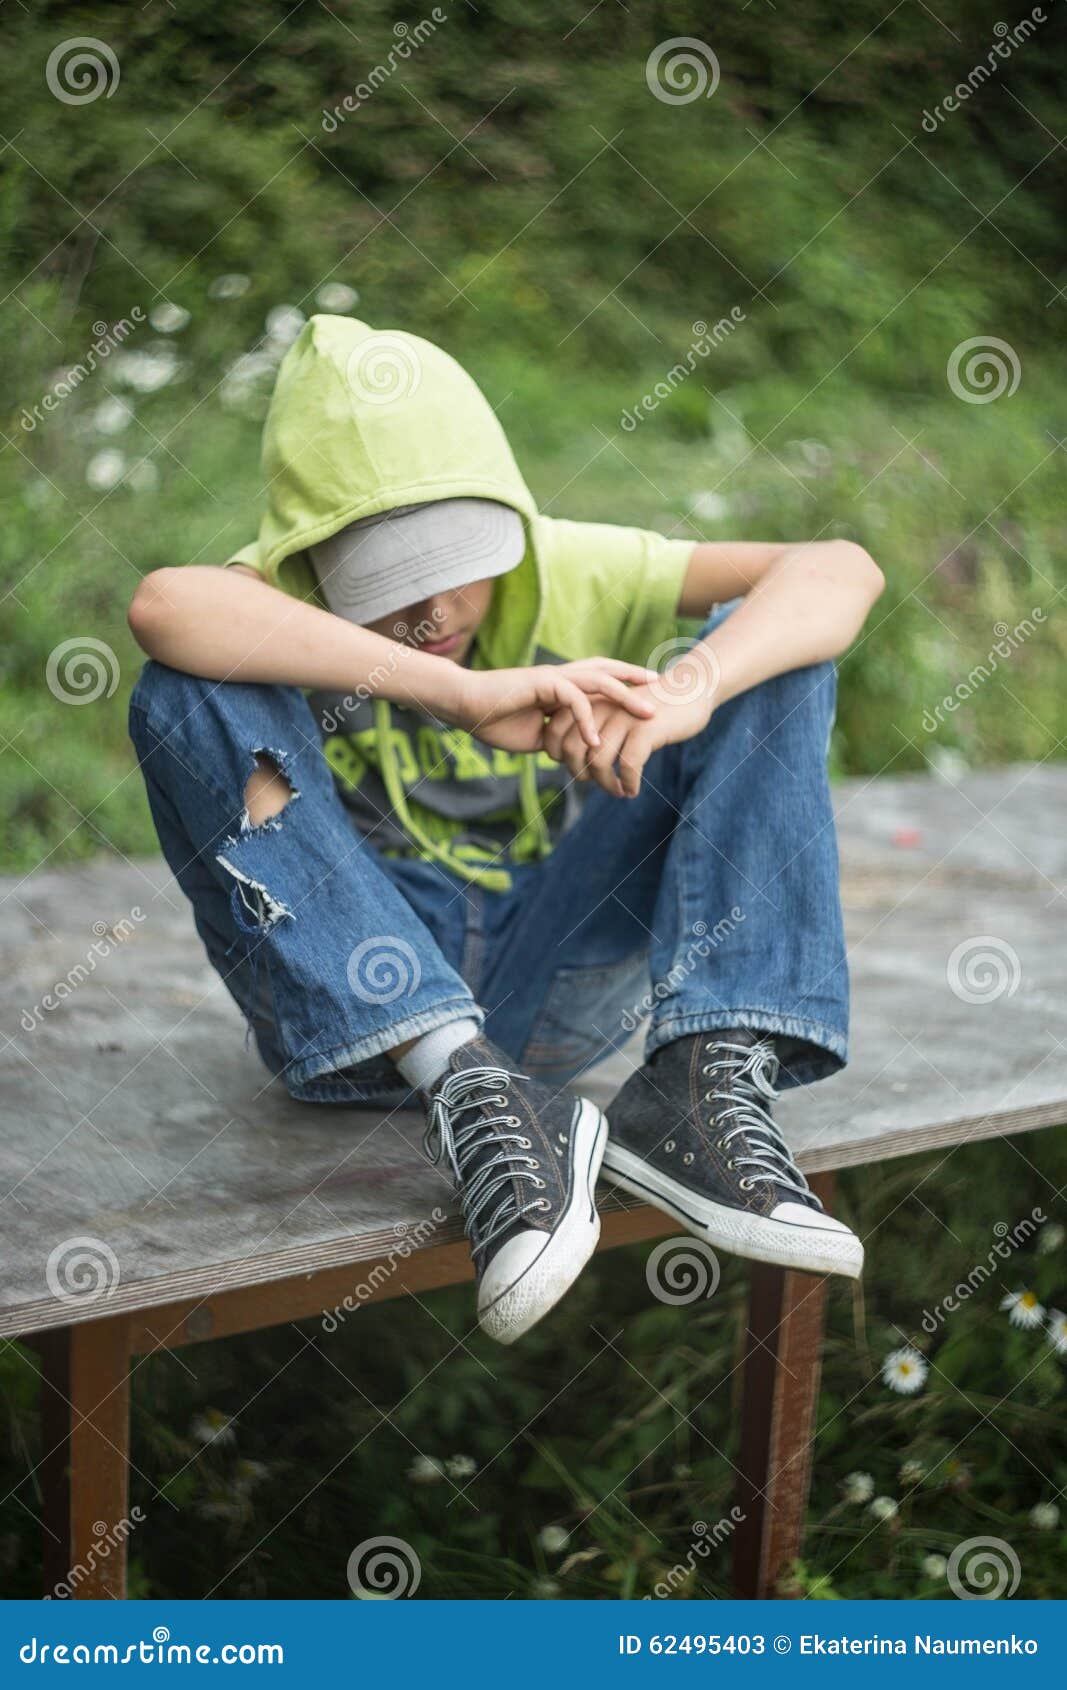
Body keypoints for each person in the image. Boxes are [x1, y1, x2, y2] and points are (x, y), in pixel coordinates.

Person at [127, 315, 884, 1344]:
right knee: (184, 694)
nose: (432, 606)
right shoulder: (278, 601)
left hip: (555, 960)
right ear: (312, 562)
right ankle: (470, 1085)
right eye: (388, 581)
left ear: (505, 518)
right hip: (371, 1013)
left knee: (773, 650)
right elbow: (163, 607)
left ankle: (701, 1083)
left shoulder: (570, 565)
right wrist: (455, 690)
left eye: (455, 561)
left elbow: (836, 566)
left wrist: (687, 695)